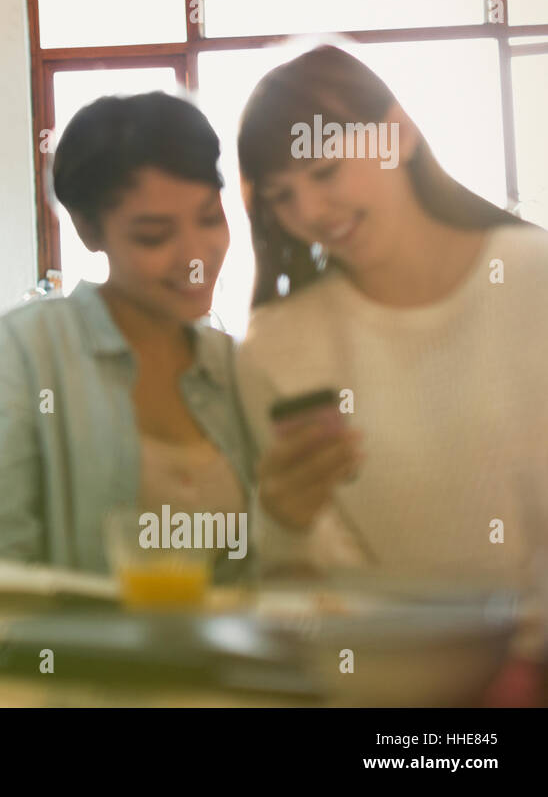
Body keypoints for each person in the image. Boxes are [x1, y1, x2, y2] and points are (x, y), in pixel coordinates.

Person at [234, 44, 548, 692]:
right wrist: (283, 519)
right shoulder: (277, 345)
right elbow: (304, 578)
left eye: (324, 172)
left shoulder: (531, 279)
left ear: (399, 134)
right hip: (384, 678)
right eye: (282, 196)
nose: (312, 213)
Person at [0, 92, 254, 577]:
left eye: (210, 219)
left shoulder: (230, 367)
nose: (195, 255)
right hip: (72, 655)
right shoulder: (23, 353)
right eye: (154, 235)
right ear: (89, 231)